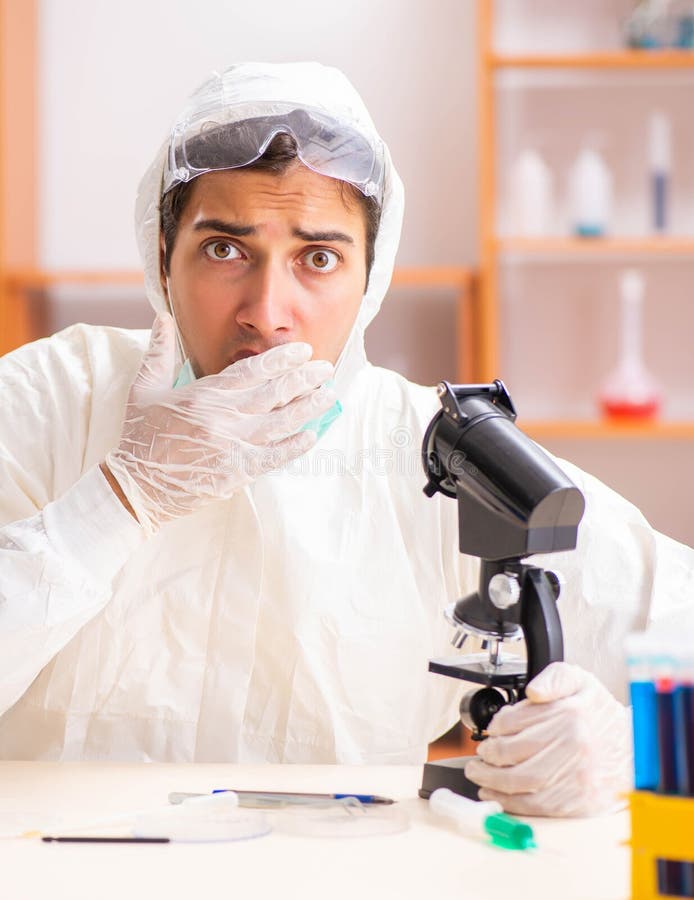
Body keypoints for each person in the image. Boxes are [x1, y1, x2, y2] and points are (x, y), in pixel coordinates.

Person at [0, 62, 692, 817]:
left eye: (318, 258)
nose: (267, 311)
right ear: (162, 258)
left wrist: (628, 749)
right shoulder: (48, 404)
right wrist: (119, 499)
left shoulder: (436, 452)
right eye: (225, 249)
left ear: (371, 281)